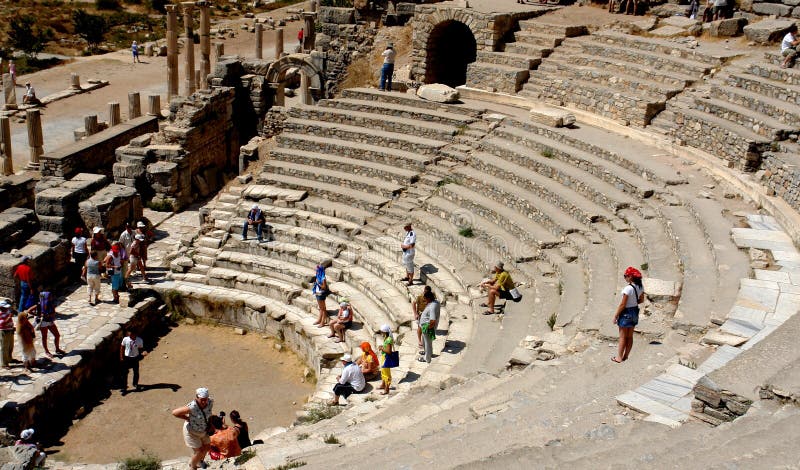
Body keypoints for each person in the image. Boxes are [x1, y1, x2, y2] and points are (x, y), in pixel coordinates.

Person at [172, 387, 214, 470]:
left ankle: (199, 461)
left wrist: (211, 424)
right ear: (197, 397)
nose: (204, 401)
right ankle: (193, 466)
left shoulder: (210, 402)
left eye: (205, 399)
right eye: (202, 399)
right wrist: (187, 418)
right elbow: (175, 413)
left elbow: (210, 413)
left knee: (207, 447)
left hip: (203, 429)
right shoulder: (192, 407)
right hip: (192, 432)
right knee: (199, 451)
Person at [612, 267, 645, 364]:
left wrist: (616, 315)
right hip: (635, 311)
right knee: (630, 336)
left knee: (622, 337)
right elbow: (641, 300)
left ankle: (618, 358)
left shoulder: (628, 288)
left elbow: (623, 304)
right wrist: (634, 302)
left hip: (626, 312)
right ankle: (626, 356)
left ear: (630, 277)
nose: (625, 278)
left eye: (625, 276)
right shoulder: (640, 286)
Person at [29, 288, 64, 358]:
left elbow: (53, 313)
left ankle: (57, 349)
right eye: (49, 296)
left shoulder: (50, 304)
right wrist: (38, 315)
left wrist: (48, 315)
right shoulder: (39, 305)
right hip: (43, 323)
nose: (51, 298)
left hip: (50, 321)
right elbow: (29, 311)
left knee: (57, 335)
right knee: (44, 337)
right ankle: (47, 351)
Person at [417, 290, 440, 364]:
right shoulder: (435, 302)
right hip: (426, 326)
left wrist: (428, 328)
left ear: (429, 298)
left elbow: (432, 320)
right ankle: (428, 352)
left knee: (427, 343)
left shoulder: (432, 306)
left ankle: (427, 358)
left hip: (427, 327)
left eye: (425, 298)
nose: (424, 300)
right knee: (426, 342)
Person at [378, 324, 393, 395]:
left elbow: (389, 351)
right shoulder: (386, 338)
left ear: (385, 332)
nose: (381, 333)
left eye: (382, 332)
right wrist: (382, 347)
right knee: (383, 372)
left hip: (387, 358)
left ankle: (386, 390)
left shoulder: (389, 339)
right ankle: (383, 385)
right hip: (384, 357)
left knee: (386, 374)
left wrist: (382, 348)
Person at [119, 222, 135, 289]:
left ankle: (131, 272)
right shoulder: (123, 234)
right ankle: (125, 277)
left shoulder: (134, 232)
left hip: (133, 251)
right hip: (126, 252)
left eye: (129, 227)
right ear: (126, 227)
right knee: (125, 266)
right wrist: (123, 252)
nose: (129, 228)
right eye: (127, 227)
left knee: (133, 263)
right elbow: (120, 243)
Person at [0, 300, 15, 369]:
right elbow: (2, 323)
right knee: (4, 347)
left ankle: (9, 359)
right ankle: (4, 363)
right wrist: (9, 318)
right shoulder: (0, 314)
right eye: (5, 307)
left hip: (9, 330)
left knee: (10, 345)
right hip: (4, 331)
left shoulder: (7, 312)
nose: (7, 308)